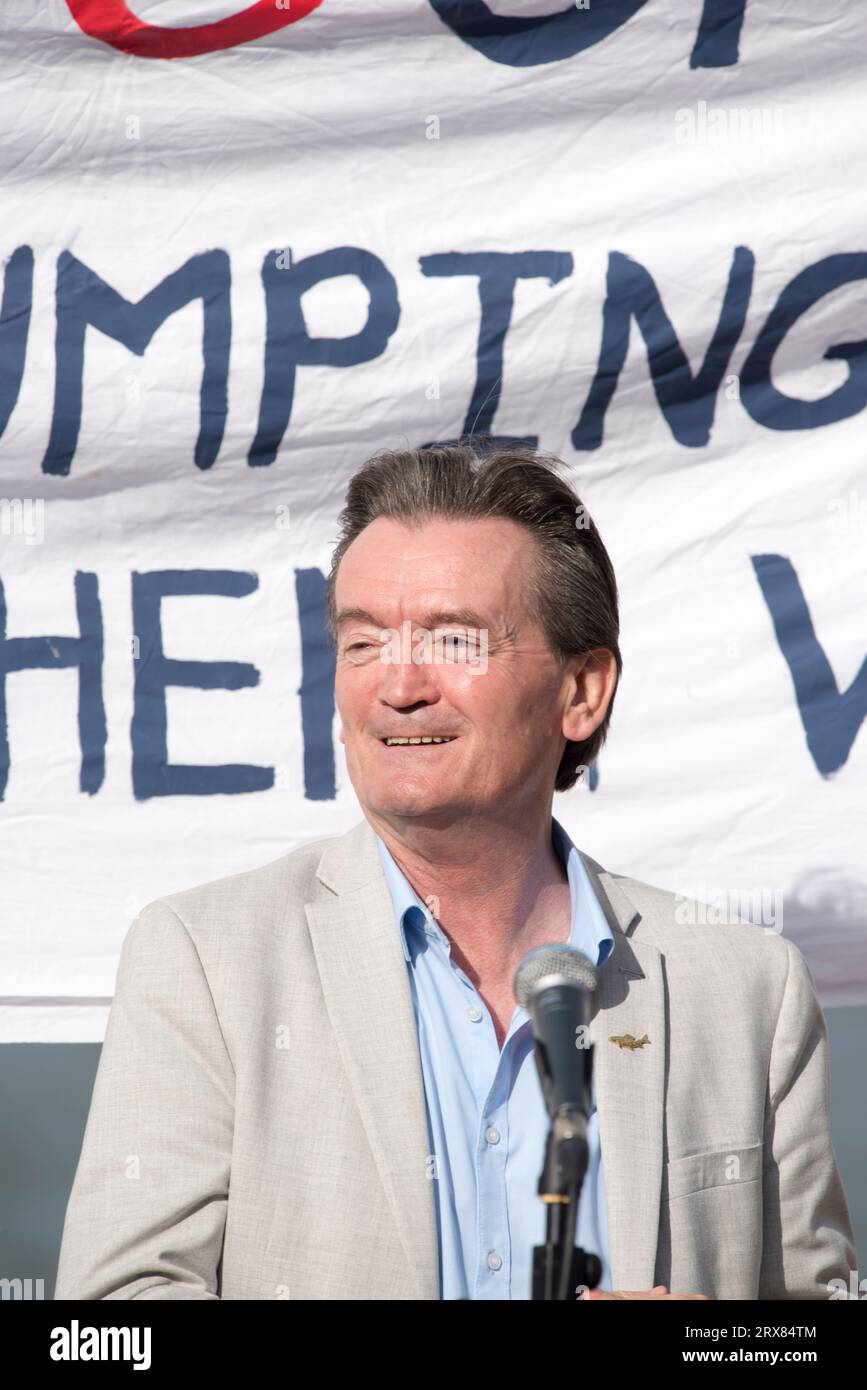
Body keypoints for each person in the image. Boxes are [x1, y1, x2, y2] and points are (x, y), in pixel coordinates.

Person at [55, 441, 856, 1300]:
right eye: (362, 642)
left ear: (582, 691)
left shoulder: (747, 988)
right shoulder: (206, 959)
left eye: (453, 639)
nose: (397, 685)